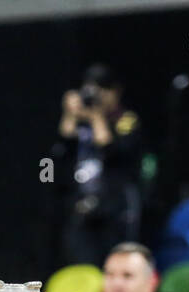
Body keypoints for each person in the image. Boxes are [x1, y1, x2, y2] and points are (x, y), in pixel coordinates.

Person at [53, 64, 143, 267]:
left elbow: (115, 152)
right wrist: (69, 115)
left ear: (115, 91)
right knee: (77, 265)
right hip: (82, 206)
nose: (97, 97)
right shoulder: (81, 122)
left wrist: (97, 118)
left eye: (103, 90)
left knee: (112, 263)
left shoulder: (126, 120)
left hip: (115, 208)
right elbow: (61, 150)